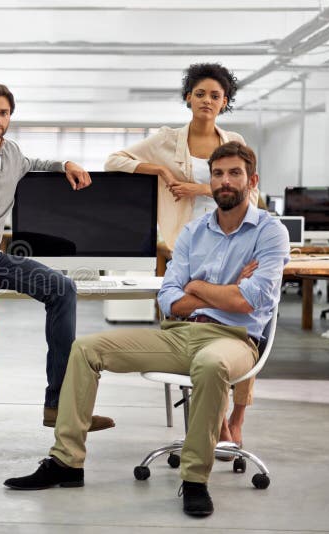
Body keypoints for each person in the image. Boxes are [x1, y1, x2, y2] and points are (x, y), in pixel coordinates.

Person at [4, 142, 289, 518]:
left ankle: (194, 480)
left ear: (251, 181)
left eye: (234, 173)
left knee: (210, 365)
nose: (224, 181)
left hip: (235, 339)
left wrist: (198, 288)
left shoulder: (270, 233)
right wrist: (222, 290)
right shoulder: (192, 232)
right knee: (86, 349)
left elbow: (249, 302)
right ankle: (66, 463)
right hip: (178, 332)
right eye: (218, 173)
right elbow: (169, 299)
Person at [0, 80, 114, 483]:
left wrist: (65, 163)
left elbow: (32, 164)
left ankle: (57, 405)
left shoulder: (9, 153)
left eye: (5, 112)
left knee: (62, 289)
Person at [104, 63, 256, 451]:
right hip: (186, 250)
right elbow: (114, 161)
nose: (207, 100)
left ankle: (235, 417)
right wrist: (156, 169)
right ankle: (215, 420)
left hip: (235, 247)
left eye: (216, 95)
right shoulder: (167, 139)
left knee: (242, 329)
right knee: (195, 335)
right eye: (200, 93)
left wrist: (201, 189)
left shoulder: (234, 140)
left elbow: (250, 196)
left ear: (225, 103)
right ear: (188, 96)